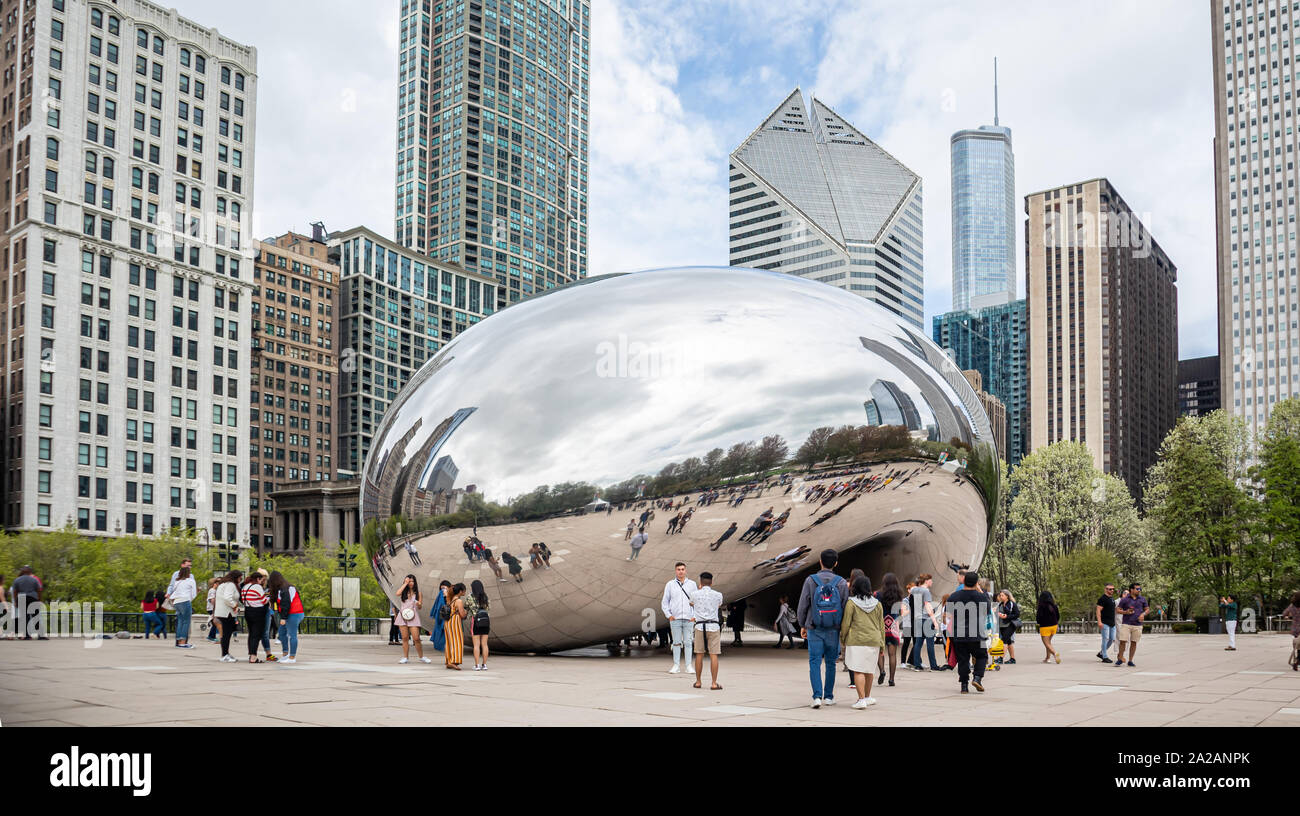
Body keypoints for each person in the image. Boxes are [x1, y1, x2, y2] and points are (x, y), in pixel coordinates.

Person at [797, 548, 849, 708]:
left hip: (814, 626)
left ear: (820, 561)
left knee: (814, 662)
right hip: (833, 629)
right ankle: (829, 696)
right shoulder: (841, 582)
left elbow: (803, 605)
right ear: (836, 563)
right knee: (831, 663)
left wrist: (802, 624)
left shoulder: (810, 580)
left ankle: (816, 697)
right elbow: (845, 606)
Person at [840, 575, 884, 709]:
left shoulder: (851, 603)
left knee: (858, 670)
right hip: (874, 639)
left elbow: (846, 623)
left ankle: (861, 699)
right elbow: (881, 625)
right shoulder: (878, 604)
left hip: (856, 640)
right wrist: (882, 644)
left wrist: (843, 638)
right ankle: (867, 696)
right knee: (869, 670)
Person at [948, 572, 993, 693]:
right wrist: (980, 591)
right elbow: (988, 611)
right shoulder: (982, 597)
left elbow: (949, 613)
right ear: (976, 583)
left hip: (959, 633)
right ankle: (977, 678)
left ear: (964, 581)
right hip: (977, 633)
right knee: (982, 656)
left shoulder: (954, 596)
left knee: (963, 659)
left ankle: (964, 686)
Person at [660, 563, 698, 674]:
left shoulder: (692, 584)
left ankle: (688, 666)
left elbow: (696, 601)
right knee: (676, 642)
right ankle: (676, 665)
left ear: (685, 571)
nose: (680, 571)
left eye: (682, 569)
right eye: (678, 569)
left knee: (688, 642)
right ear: (675, 571)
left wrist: (694, 616)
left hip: (688, 618)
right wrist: (669, 615)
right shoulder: (670, 584)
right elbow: (665, 601)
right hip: (675, 618)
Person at [689, 572, 724, 690]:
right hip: (713, 627)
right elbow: (719, 605)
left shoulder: (694, 594)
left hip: (699, 627)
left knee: (699, 654)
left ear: (700, 582)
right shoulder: (718, 595)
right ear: (712, 582)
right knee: (714, 655)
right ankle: (714, 683)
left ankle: (698, 681)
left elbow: (691, 603)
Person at [907, 574, 942, 671]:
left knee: (918, 643)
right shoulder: (926, 591)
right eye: (931, 580)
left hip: (917, 619)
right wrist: (934, 621)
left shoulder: (914, 589)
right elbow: (927, 606)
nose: (932, 582)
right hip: (926, 619)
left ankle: (917, 664)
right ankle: (933, 665)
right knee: (930, 643)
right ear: (926, 581)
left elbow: (910, 599)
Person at [268, 571, 305, 664]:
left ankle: (292, 657)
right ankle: (286, 654)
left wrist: (283, 618)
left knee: (292, 635)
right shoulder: (282, 589)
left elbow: (286, 603)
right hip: (289, 614)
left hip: (294, 613)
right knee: (282, 633)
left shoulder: (286, 589)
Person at [395, 575, 432, 665]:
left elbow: (419, 607)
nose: (410, 583)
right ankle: (405, 657)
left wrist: (418, 604)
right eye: (409, 581)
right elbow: (397, 593)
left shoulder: (418, 593)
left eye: (412, 581)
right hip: (403, 616)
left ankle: (421, 657)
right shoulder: (403, 592)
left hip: (413, 616)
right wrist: (405, 584)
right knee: (404, 638)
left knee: (416, 638)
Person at [875, 572, 904, 686]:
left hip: (880, 625)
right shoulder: (899, 594)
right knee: (892, 654)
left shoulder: (877, 594)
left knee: (880, 652)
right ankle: (891, 679)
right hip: (893, 626)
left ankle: (882, 671)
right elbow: (900, 612)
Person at [240, 572, 271, 663]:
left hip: (248, 610)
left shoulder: (245, 586)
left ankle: (251, 654)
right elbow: (264, 600)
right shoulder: (257, 587)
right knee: (256, 634)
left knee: (251, 634)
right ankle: (253, 657)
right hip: (257, 612)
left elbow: (243, 600)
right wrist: (269, 596)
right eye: (261, 580)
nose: (261, 582)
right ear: (258, 579)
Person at [1115, 582, 1148, 667]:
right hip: (1126, 623)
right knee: (1123, 641)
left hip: (1138, 624)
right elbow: (1117, 610)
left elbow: (1147, 609)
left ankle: (1130, 660)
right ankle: (1120, 658)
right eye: (1137, 589)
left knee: (1134, 642)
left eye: (1140, 589)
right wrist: (1125, 612)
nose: (1139, 590)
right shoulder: (1125, 599)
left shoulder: (1142, 599)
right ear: (1132, 590)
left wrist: (1143, 614)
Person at [213, 571, 244, 663]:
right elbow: (227, 598)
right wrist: (234, 605)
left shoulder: (223, 584)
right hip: (227, 613)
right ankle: (224, 654)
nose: (240, 580)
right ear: (236, 577)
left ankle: (225, 653)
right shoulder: (231, 585)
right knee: (226, 634)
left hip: (222, 612)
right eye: (240, 578)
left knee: (225, 634)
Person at [166, 566, 198, 649]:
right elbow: (194, 594)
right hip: (185, 601)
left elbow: (173, 590)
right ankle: (183, 642)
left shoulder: (177, 581)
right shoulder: (191, 581)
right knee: (186, 622)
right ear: (188, 573)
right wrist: (189, 600)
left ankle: (179, 642)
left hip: (176, 602)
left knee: (180, 621)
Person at [464, 580, 491, 670]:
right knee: (484, 644)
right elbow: (489, 608)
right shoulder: (485, 596)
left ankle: (477, 665)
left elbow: (466, 607)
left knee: (476, 645)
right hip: (486, 622)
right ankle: (484, 665)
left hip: (476, 622)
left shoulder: (470, 597)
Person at [444, 583, 467, 670]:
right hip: (455, 621)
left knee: (449, 641)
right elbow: (462, 614)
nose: (465, 592)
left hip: (448, 622)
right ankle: (454, 661)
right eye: (464, 590)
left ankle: (449, 661)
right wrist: (466, 611)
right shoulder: (458, 601)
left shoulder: (450, 599)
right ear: (460, 591)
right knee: (457, 641)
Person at [1036, 591, 1061, 664]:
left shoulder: (1041, 606)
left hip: (1045, 627)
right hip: (1054, 626)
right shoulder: (1054, 606)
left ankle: (1055, 653)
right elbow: (1058, 616)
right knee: (1049, 643)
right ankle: (1047, 658)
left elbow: (1038, 617)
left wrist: (1039, 623)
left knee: (1046, 643)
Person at [996, 590, 1019, 665]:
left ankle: (1001, 658)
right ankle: (1012, 659)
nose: (1001, 597)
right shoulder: (1000, 604)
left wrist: (1007, 616)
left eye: (1002, 595)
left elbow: (1017, 614)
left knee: (1004, 640)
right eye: (1000, 595)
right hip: (1002, 625)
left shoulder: (1012, 604)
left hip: (1010, 625)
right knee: (1009, 642)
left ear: (1007, 596)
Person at [1096, 583, 1117, 662]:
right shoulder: (1102, 598)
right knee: (1105, 639)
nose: (1112, 590)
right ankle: (1104, 657)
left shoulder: (1111, 598)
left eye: (1113, 589)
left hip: (1112, 623)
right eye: (1110, 589)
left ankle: (1101, 653)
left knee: (1111, 639)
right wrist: (1099, 622)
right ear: (1105, 589)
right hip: (1105, 623)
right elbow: (1098, 611)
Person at [429, 580, 451, 652]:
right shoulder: (440, 595)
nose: (443, 590)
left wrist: (447, 596)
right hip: (442, 617)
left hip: (449, 617)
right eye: (442, 588)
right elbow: (437, 606)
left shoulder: (452, 595)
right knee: (440, 631)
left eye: (445, 588)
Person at [1283, 591, 1300, 672]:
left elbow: (1284, 613)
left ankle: (1297, 660)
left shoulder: (1292, 606)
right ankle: (1298, 660)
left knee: (1299, 645)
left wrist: (1289, 616)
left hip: (1296, 629)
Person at [205, 577, 222, 644]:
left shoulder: (213, 590)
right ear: (215, 584)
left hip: (212, 608)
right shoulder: (212, 590)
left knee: (215, 623)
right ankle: (211, 637)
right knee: (215, 623)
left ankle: (211, 636)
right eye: (218, 583)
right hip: (212, 609)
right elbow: (212, 600)